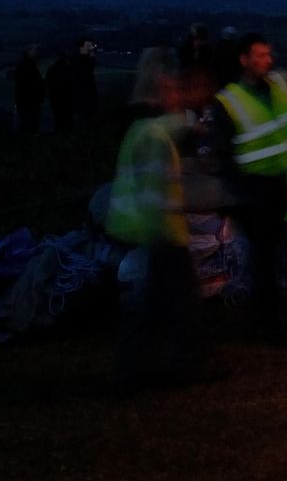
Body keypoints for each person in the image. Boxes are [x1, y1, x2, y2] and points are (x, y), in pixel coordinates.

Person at [105, 49, 210, 391]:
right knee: (172, 304)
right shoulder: (152, 133)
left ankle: (138, 372)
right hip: (159, 231)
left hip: (149, 231)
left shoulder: (143, 125)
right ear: (164, 85)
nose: (178, 95)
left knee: (156, 306)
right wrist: (169, 232)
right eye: (175, 88)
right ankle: (160, 370)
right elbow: (154, 192)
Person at [204, 33, 287, 338]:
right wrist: (241, 191)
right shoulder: (228, 101)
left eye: (268, 54)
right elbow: (223, 153)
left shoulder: (282, 84)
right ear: (243, 59)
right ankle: (268, 320)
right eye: (260, 55)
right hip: (259, 190)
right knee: (266, 259)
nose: (267, 60)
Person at [11, 46, 45, 135]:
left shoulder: (22, 66)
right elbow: (36, 84)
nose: (36, 54)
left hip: (24, 100)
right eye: (33, 52)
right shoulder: (30, 67)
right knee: (31, 124)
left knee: (26, 124)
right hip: (30, 101)